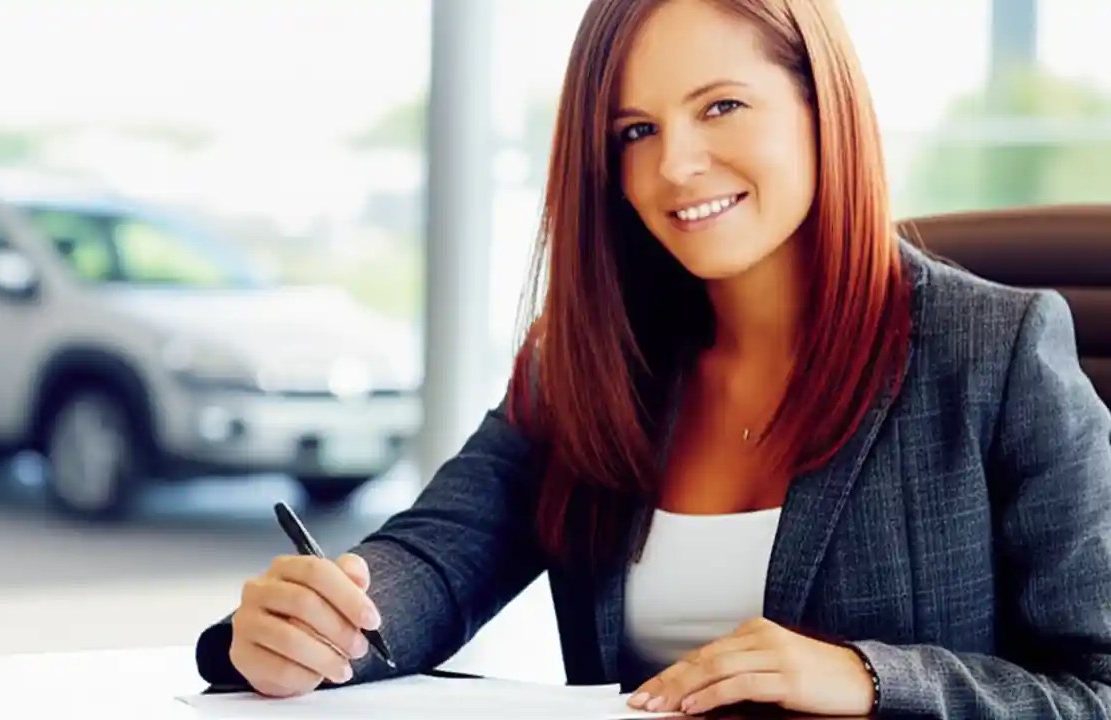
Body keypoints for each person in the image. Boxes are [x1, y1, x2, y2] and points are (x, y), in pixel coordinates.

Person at [195, 0, 1111, 716]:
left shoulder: (996, 354)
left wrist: (871, 681)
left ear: (818, 105)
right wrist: (320, 622)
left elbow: (1096, 688)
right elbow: (435, 558)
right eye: (635, 131)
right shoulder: (589, 368)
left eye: (720, 106)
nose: (675, 165)